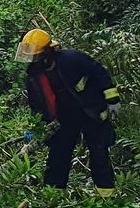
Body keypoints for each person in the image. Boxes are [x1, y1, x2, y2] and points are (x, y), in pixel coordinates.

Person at [15, 29, 120, 197]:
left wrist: (112, 100)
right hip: (63, 119)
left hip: (91, 112)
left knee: (99, 154)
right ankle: (54, 197)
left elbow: (100, 73)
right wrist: (38, 126)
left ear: (48, 52)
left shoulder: (73, 59)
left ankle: (106, 196)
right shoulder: (34, 75)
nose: (34, 61)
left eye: (36, 56)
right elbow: (36, 103)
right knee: (58, 156)